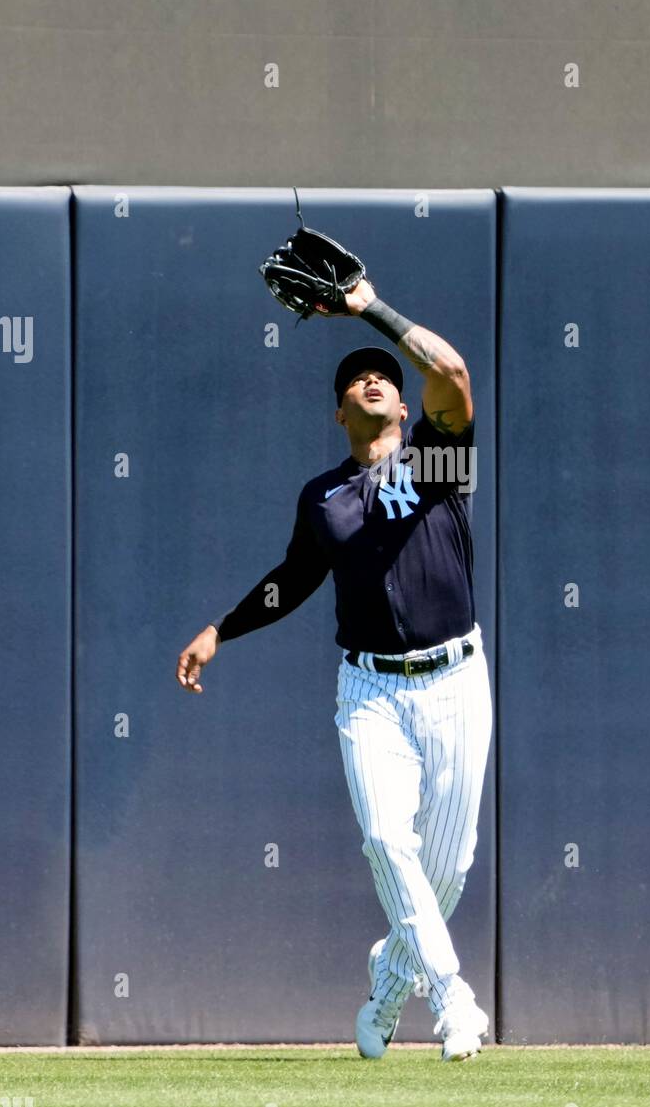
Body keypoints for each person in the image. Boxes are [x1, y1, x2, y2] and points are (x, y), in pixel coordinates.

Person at [176, 277, 492, 1061]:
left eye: (379, 371)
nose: (372, 378)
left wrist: (370, 310)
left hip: (455, 678)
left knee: (447, 866)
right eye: (355, 377)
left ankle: (389, 979)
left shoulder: (440, 458)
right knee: (388, 841)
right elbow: (292, 580)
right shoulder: (324, 498)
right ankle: (453, 999)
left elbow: (450, 376)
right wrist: (224, 627)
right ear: (339, 412)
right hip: (371, 689)